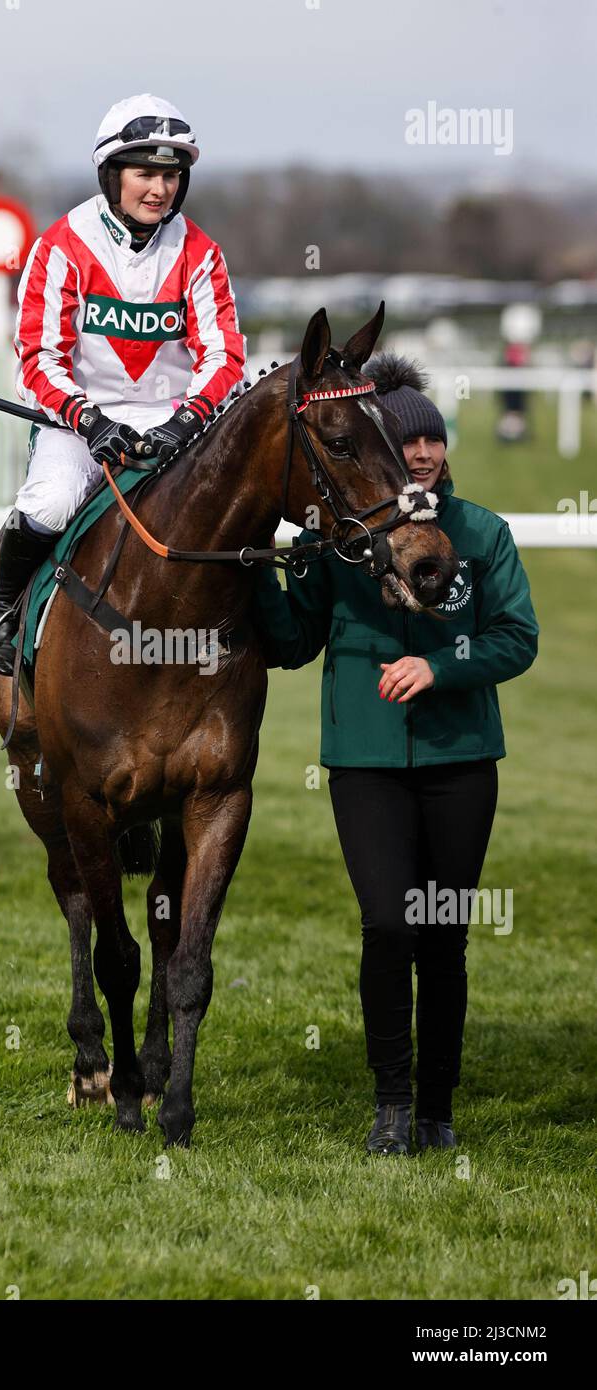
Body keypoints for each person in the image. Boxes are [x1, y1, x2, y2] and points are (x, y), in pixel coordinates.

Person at [252, 355, 539, 1155]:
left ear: (444, 449)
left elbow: (518, 638)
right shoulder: (335, 541)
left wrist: (440, 667)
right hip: (366, 765)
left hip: (462, 762)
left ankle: (438, 1109)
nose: (419, 454)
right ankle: (390, 1106)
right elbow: (290, 642)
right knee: (388, 926)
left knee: (444, 935)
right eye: (403, 441)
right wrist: (261, 571)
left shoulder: (482, 533)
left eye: (431, 440)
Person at [0, 93, 246, 673]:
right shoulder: (60, 246)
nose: (159, 189)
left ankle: (266, 630)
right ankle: (2, 611)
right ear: (111, 175)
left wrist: (187, 421)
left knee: (243, 503)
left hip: (177, 421)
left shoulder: (201, 252)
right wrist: (90, 420)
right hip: (79, 422)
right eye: (144, 173)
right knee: (49, 504)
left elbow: (224, 356)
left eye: (171, 175)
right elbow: (37, 358)